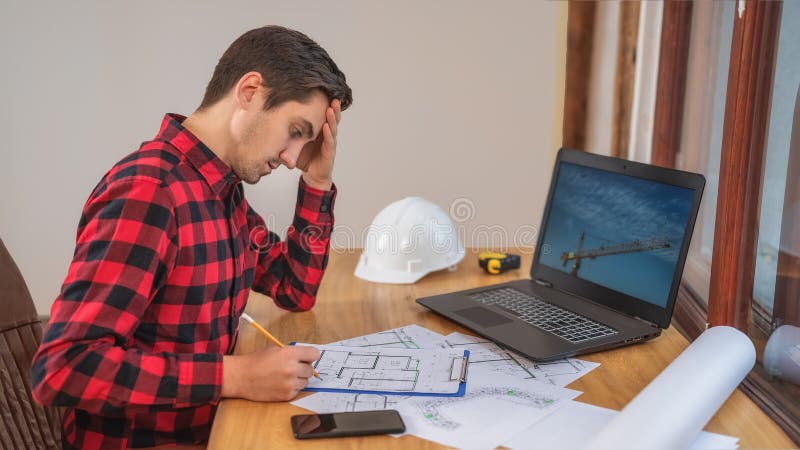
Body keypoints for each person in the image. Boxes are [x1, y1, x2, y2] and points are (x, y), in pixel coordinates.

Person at [30, 25, 352, 449]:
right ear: (250, 91)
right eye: (295, 131)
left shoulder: (221, 190)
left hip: (216, 433)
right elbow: (62, 368)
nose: (293, 158)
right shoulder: (150, 192)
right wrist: (235, 375)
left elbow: (295, 287)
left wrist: (317, 181)